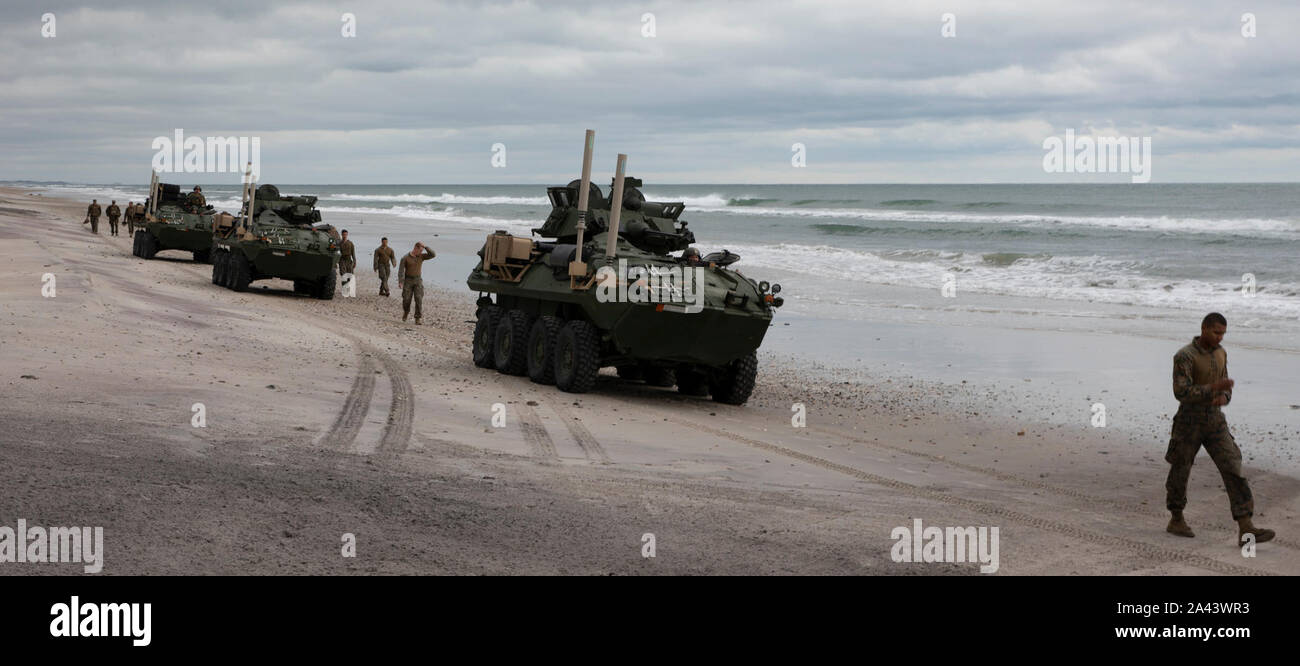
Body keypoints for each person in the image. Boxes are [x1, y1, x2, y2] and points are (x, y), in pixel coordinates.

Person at [1165, 312, 1274, 546]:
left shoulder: (1221, 353)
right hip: (1189, 422)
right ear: (1203, 328)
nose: (1219, 337)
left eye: (1223, 333)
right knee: (1180, 469)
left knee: (1233, 466)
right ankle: (1176, 517)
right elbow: (1181, 392)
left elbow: (1226, 386)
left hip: (1215, 421)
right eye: (1216, 332)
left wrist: (1224, 396)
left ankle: (1246, 527)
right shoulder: (1184, 356)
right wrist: (1213, 388)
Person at [397, 241, 435, 324]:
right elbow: (401, 271)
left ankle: (417, 318)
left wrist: (425, 247)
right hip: (408, 281)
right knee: (406, 299)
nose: (421, 252)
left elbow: (433, 255)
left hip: (418, 280)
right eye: (420, 250)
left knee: (418, 298)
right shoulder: (405, 258)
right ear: (415, 248)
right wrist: (400, 281)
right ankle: (406, 312)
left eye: (422, 251)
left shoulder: (421, 256)